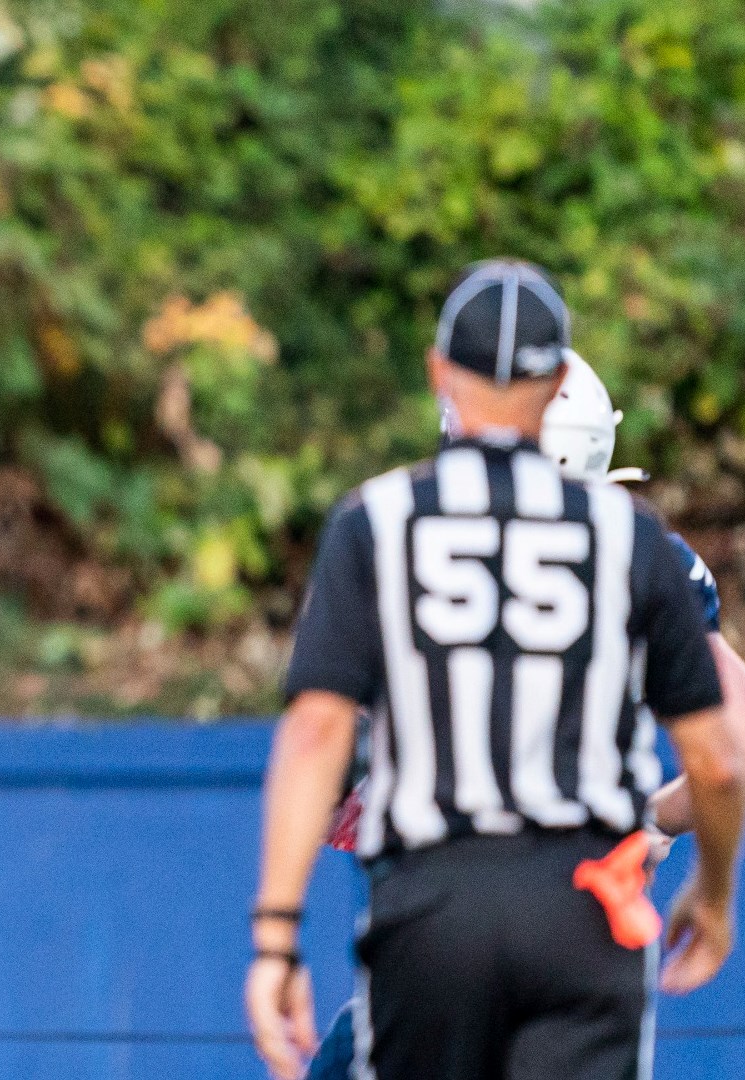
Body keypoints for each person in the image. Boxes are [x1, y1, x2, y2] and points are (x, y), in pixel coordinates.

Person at [245, 259, 744, 1080]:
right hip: (580, 911)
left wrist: (274, 936)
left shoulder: (380, 523)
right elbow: (725, 753)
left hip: (429, 909)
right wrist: (703, 883)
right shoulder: (635, 544)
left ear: (441, 376)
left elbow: (313, 736)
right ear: (558, 389)